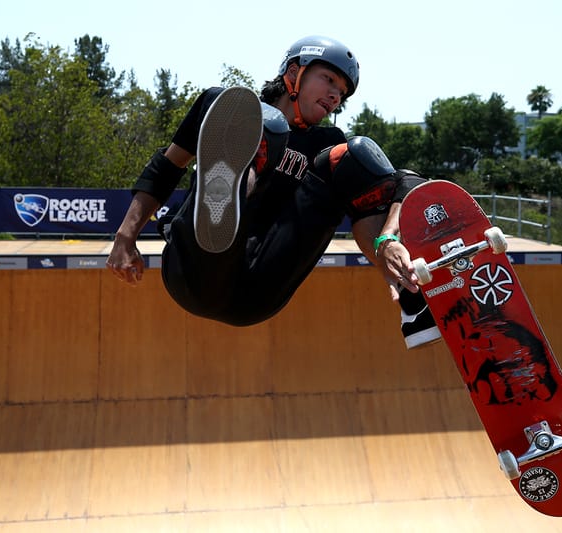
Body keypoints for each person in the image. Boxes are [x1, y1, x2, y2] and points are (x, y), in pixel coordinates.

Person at [107, 35, 439, 347]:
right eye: (329, 80)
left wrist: (388, 240)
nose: (336, 95)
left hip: (259, 289)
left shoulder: (325, 145)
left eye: (343, 92)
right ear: (295, 73)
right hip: (195, 272)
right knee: (253, 118)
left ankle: (412, 302)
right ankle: (225, 199)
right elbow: (167, 168)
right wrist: (125, 237)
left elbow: (402, 185)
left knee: (354, 157)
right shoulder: (224, 108)